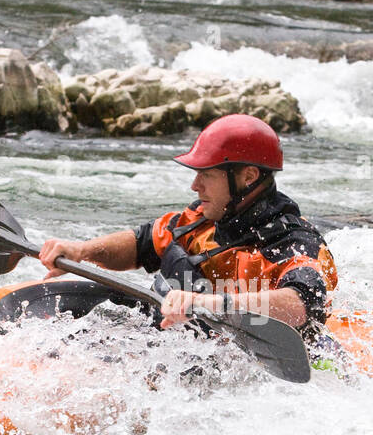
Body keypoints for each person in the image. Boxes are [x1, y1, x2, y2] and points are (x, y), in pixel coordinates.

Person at [37, 114, 337, 337]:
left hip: (247, 361)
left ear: (248, 176)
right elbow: (142, 244)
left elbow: (301, 304)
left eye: (206, 174)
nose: (195, 185)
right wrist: (81, 250)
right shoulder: (201, 219)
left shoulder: (294, 241)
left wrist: (206, 303)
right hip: (184, 339)